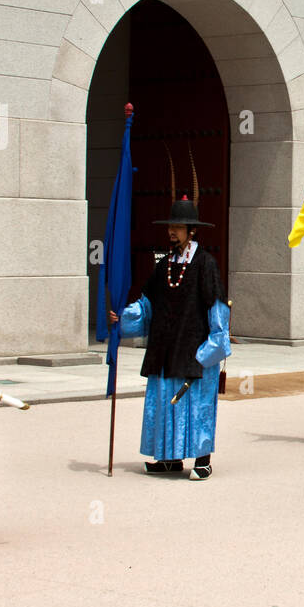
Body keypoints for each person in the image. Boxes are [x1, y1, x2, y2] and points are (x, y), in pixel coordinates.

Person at [110, 198, 229, 478]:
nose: (172, 232)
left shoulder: (205, 264)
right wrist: (124, 316)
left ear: (192, 231)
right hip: (164, 348)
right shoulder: (164, 265)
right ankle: (169, 458)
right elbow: (148, 305)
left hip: (194, 348)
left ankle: (202, 461)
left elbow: (217, 310)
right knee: (164, 400)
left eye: (178, 227)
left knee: (195, 404)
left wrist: (210, 351)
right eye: (170, 227)